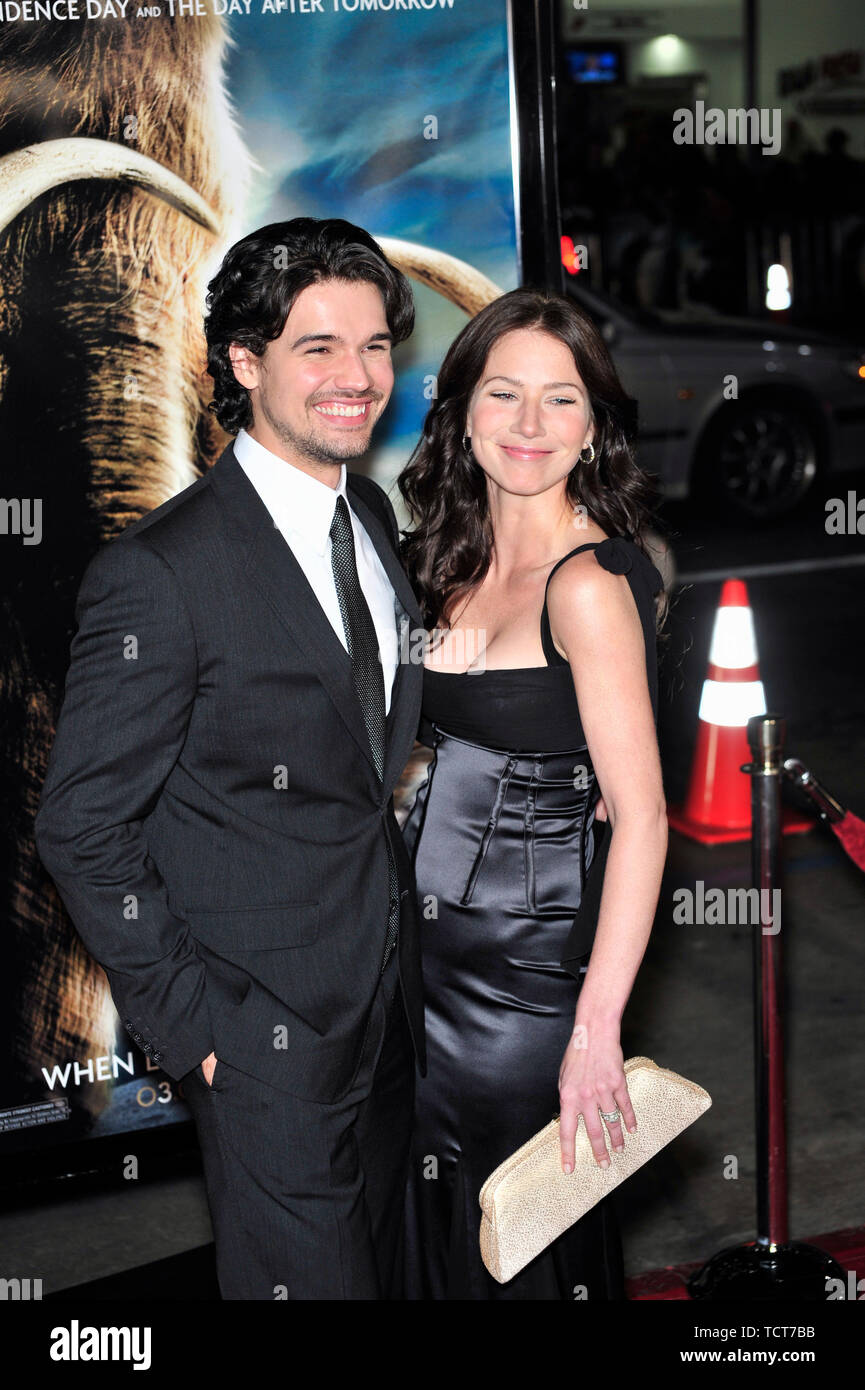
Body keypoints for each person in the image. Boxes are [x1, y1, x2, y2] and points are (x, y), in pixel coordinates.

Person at [34, 217, 427, 1300]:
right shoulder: (161, 575)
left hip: (388, 1012)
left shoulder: (374, 519)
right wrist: (200, 1026)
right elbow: (80, 822)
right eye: (318, 347)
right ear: (245, 364)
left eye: (375, 345)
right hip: (265, 1043)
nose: (357, 378)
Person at [396, 287, 669, 1299]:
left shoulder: (587, 584)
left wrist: (595, 1030)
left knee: (517, 1245)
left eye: (560, 400)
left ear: (593, 423)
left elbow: (642, 817)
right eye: (503, 394)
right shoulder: (445, 560)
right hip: (419, 964)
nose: (528, 425)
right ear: (461, 409)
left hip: (524, 988)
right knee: (436, 1239)